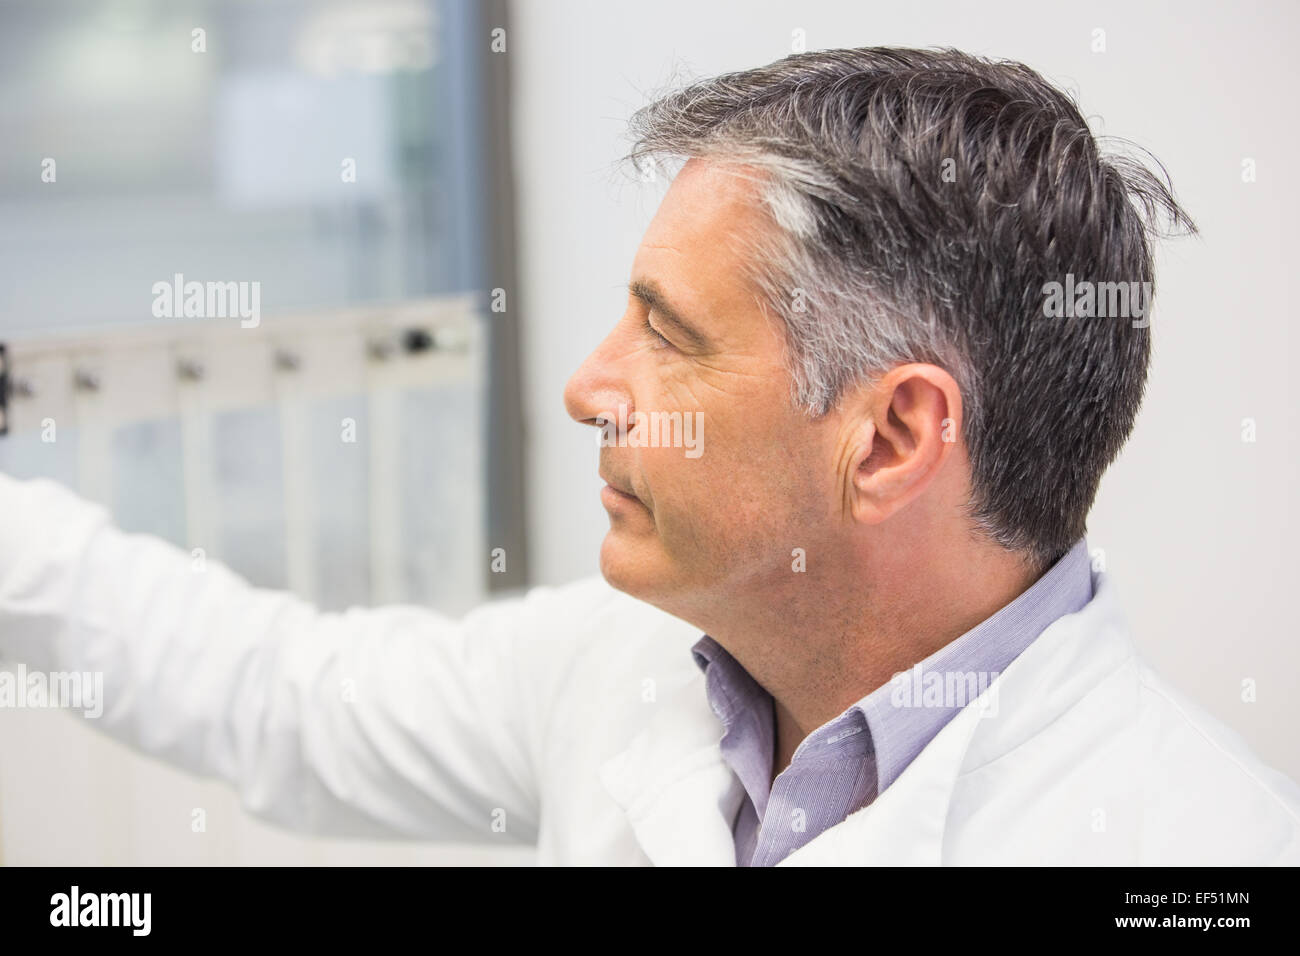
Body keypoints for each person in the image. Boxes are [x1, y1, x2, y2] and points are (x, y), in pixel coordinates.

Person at [1, 47, 1296, 866]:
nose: (585, 388)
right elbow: (280, 697)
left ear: (891, 438)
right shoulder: (628, 673)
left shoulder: (1193, 845)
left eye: (668, 337)